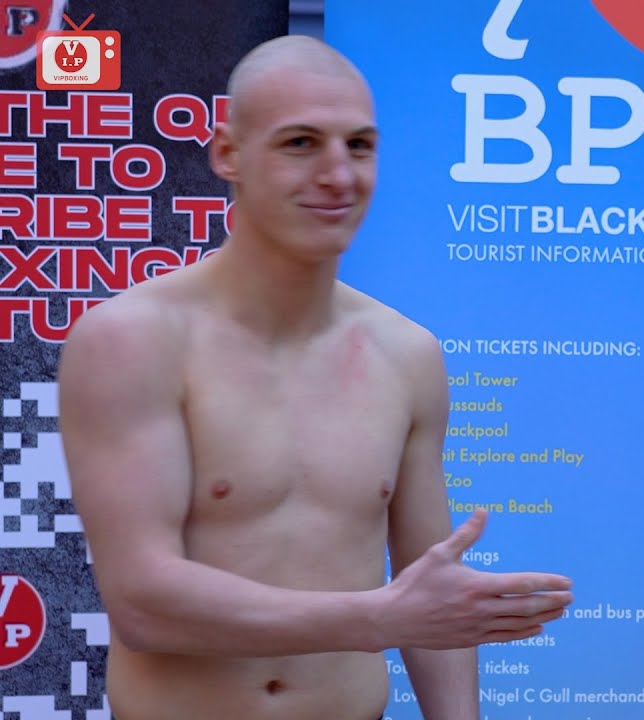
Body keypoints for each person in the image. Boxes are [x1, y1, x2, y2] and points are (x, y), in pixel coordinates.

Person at [58, 35, 572, 720]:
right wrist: (379, 618)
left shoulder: (407, 354)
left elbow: (429, 590)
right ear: (227, 153)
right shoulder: (132, 340)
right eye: (300, 143)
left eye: (359, 146)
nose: (339, 175)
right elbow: (144, 604)